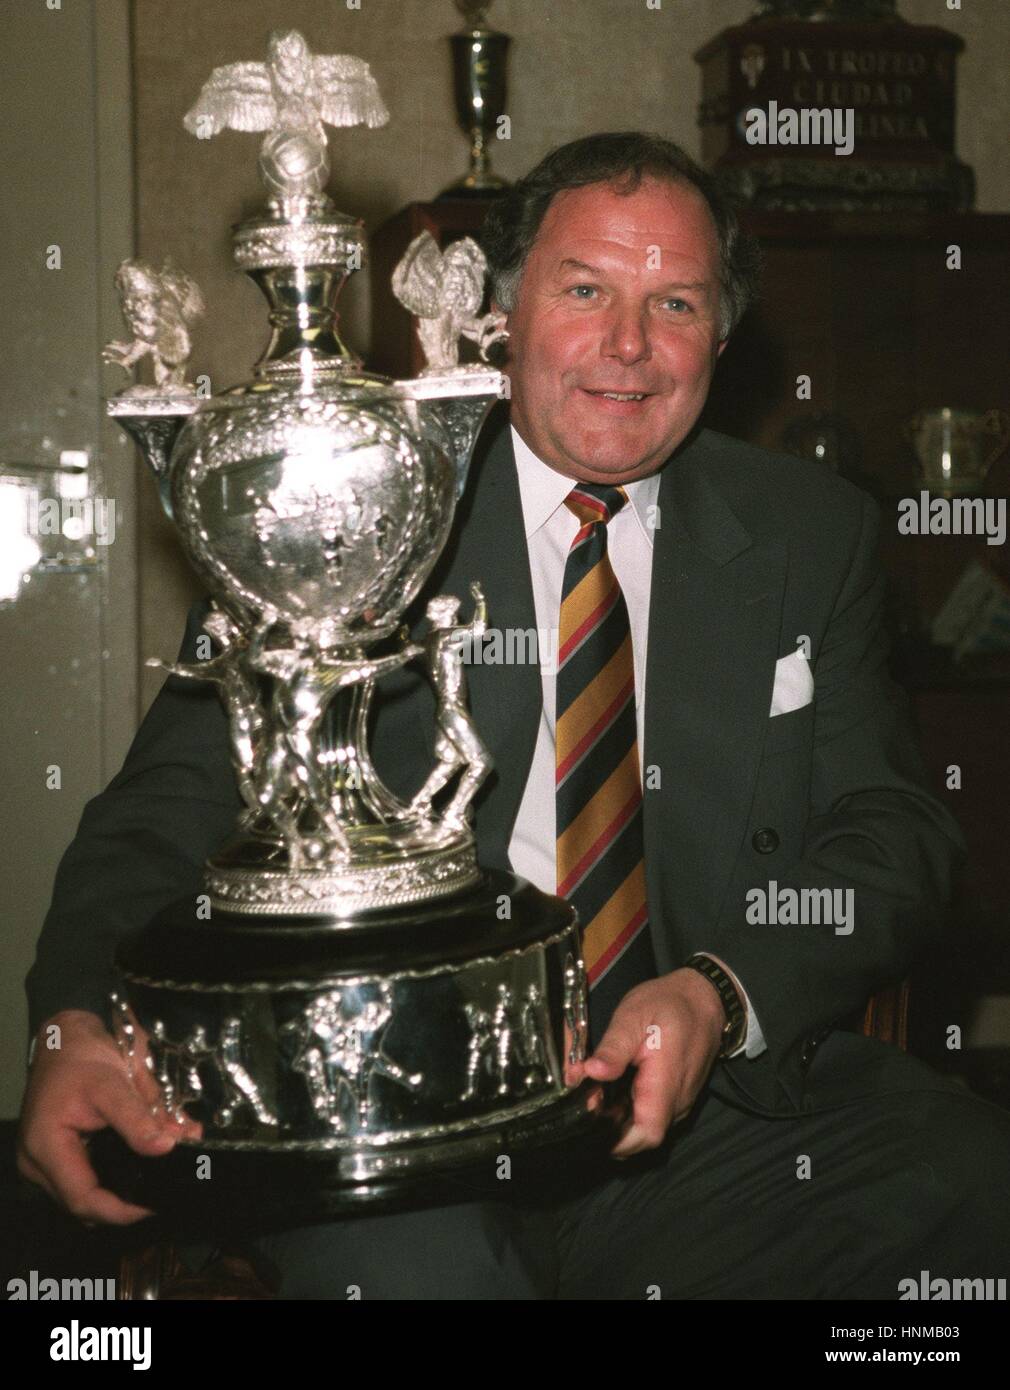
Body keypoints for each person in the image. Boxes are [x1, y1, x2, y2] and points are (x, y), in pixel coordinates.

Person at [17, 132, 1010, 1299]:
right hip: (395, 1122)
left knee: (970, 1177)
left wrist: (720, 991)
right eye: (584, 291)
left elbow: (893, 830)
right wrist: (72, 1023)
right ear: (498, 312)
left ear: (721, 339)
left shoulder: (808, 532)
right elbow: (165, 809)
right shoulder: (349, 494)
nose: (627, 345)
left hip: (703, 1114)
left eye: (675, 303)